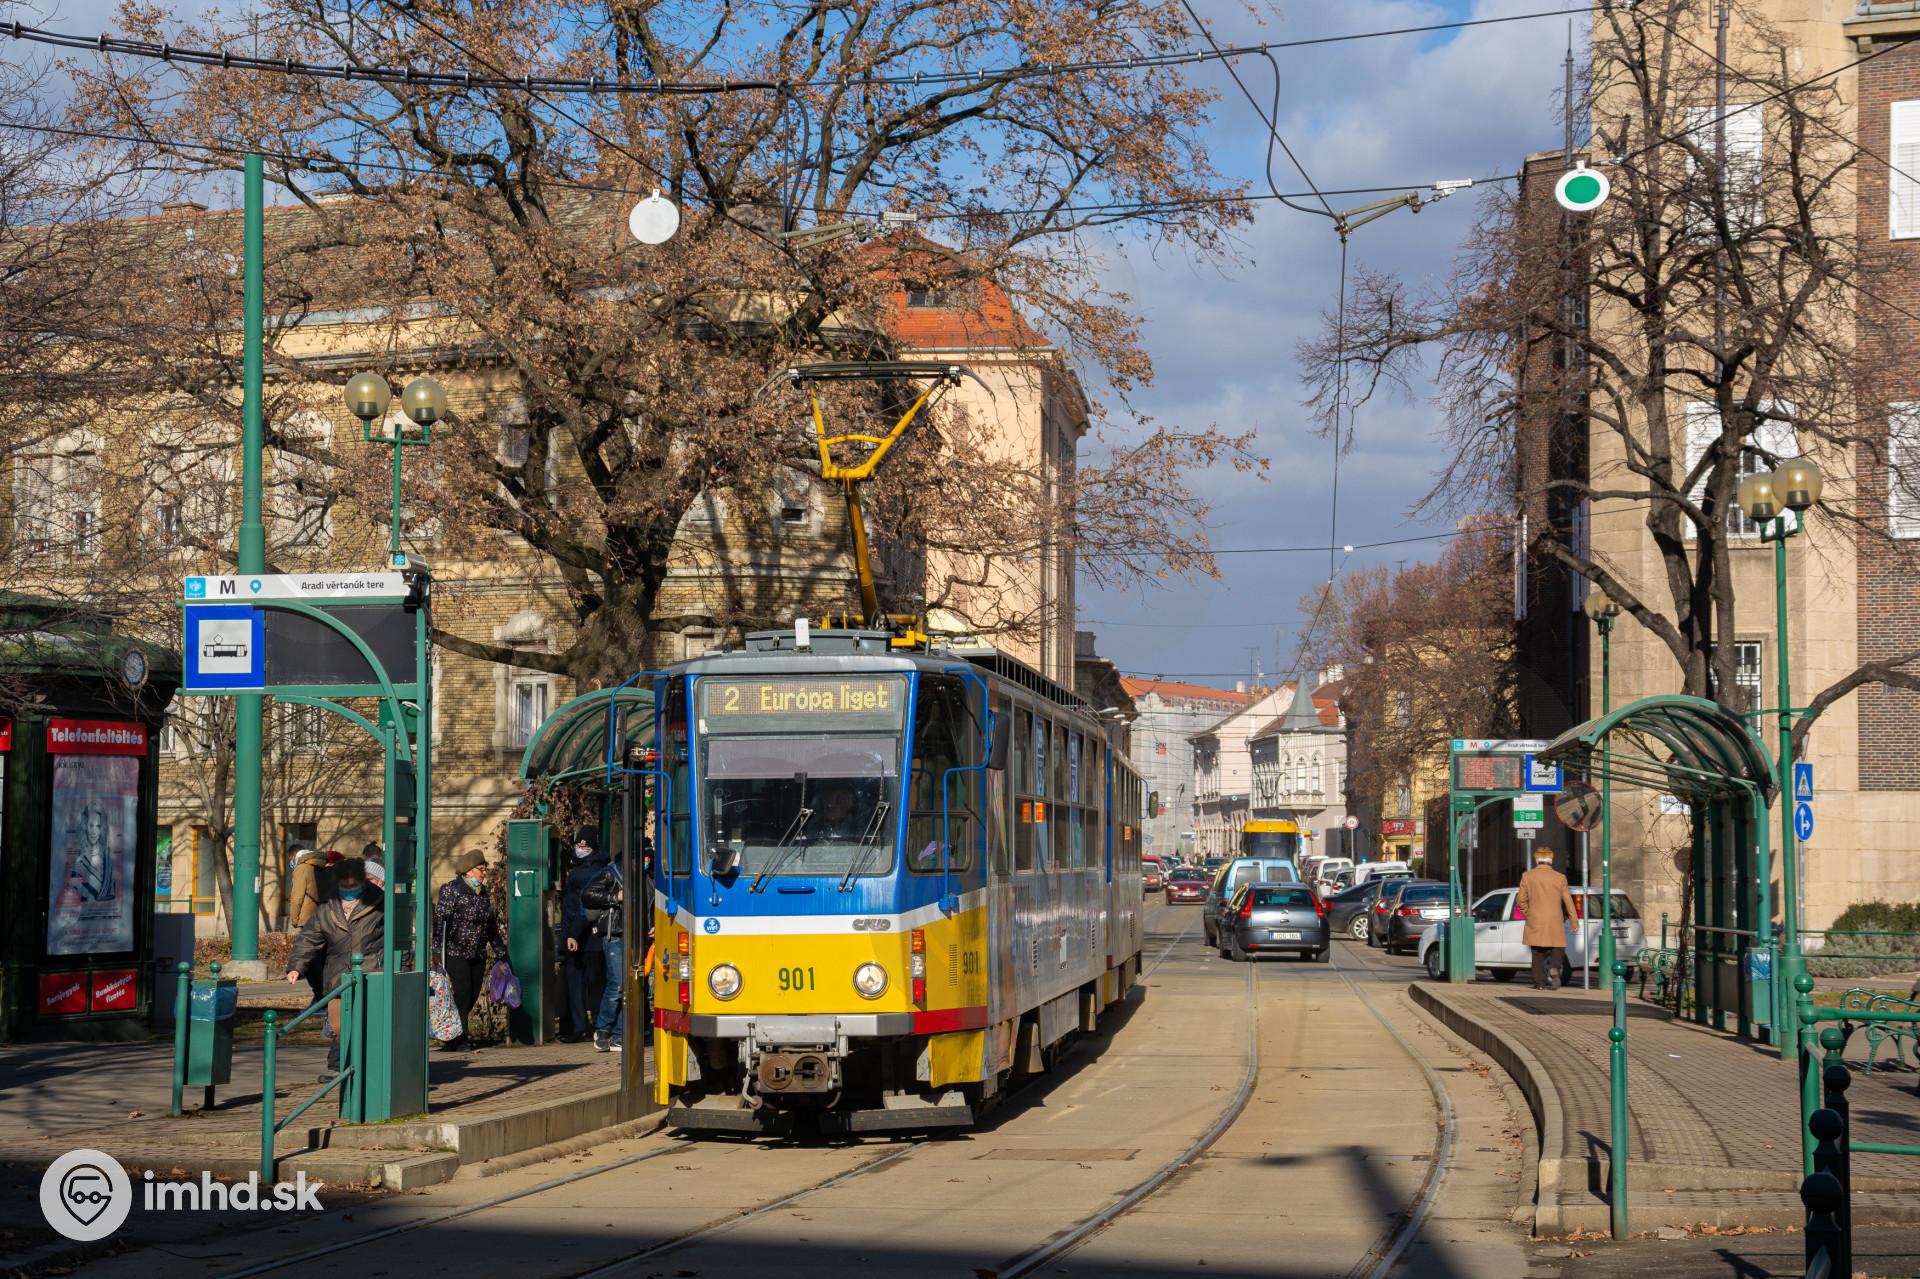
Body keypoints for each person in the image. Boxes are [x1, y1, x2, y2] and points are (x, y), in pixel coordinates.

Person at [285, 858, 384, 1079]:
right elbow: (309, 938)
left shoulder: (380, 901)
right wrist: (296, 966)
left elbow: (397, 937)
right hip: (338, 975)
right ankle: (339, 1066)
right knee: (339, 1025)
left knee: (368, 1022)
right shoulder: (327, 907)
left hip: (371, 972)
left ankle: (355, 1067)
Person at [433, 851, 504, 1052]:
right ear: (468, 871)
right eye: (480, 870)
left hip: (477, 952)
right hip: (456, 952)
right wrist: (437, 950)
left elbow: (490, 925)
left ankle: (450, 1032)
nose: (483, 873)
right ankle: (459, 1037)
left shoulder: (484, 893)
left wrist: (500, 950)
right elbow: (441, 922)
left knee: (472, 993)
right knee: (462, 992)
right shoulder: (451, 890)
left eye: (484, 869)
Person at [561, 826, 609, 1044]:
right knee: (594, 985)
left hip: (584, 936)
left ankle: (583, 1026)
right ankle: (597, 1026)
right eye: (578, 845)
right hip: (590, 938)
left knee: (581, 985)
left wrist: (572, 934)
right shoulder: (591, 867)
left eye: (585, 846)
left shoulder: (585, 872)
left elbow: (584, 906)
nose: (580, 849)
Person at [575, 853, 624, 1053]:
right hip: (615, 935)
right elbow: (587, 895)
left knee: (630, 987)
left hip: (636, 937)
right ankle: (603, 1030)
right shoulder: (611, 873)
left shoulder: (646, 876)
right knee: (618, 984)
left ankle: (620, 1035)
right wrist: (615, 897)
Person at [1515, 847, 1580, 991]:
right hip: (1555, 918)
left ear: (1536, 859)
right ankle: (1554, 968)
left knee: (1537, 952)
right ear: (1551, 860)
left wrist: (1528, 912)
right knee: (1558, 947)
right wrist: (1574, 919)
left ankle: (1539, 983)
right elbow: (1567, 900)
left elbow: (1520, 900)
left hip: (1535, 917)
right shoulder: (1560, 877)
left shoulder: (1527, 876)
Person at [286, 847, 327, 1006]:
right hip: (323, 916)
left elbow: (297, 897)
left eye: (291, 859)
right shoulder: (321, 865)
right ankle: (322, 995)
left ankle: (320, 995)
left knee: (308, 957)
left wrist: (294, 919)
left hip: (308, 918)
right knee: (321, 958)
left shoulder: (302, 868)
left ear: (295, 856)